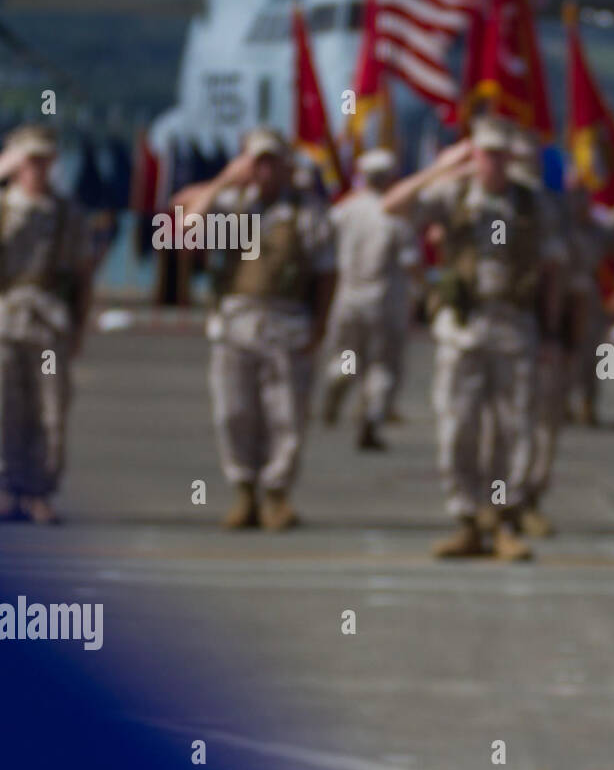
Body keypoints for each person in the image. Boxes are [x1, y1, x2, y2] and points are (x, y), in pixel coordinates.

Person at [397, 116, 565, 560]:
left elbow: (551, 272)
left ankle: (502, 520)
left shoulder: (533, 205)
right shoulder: (452, 194)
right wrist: (441, 168)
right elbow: (391, 206)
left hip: (516, 328)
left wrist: (552, 333)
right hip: (463, 329)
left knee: (512, 431)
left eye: (499, 154)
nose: (492, 163)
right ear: (472, 156)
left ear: (510, 158)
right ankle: (468, 520)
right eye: (484, 153)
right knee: (457, 426)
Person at [175, 128, 336, 530]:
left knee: (287, 416)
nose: (265, 170)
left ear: (286, 165)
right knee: (234, 411)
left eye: (272, 161)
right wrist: (224, 180)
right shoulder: (233, 207)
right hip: (235, 322)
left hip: (286, 321)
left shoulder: (306, 211)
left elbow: (326, 273)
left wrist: (320, 325)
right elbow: (183, 232)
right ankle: (244, 490)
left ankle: (277, 495)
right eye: (257, 161)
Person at [0, 125, 94, 525]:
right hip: (4, 321)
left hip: (48, 322)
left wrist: (78, 329)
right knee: (4, 408)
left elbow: (83, 275)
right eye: (30, 160)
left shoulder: (66, 213)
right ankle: (5, 489)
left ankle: (39, 490)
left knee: (49, 409)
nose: (37, 169)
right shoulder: (4, 208)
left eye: (44, 160)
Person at [318, 148, 421, 450]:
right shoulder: (395, 216)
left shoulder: (345, 210)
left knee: (347, 355)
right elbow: (410, 261)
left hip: (348, 295)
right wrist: (424, 291)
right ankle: (372, 419)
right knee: (382, 365)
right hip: (384, 299)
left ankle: (338, 377)